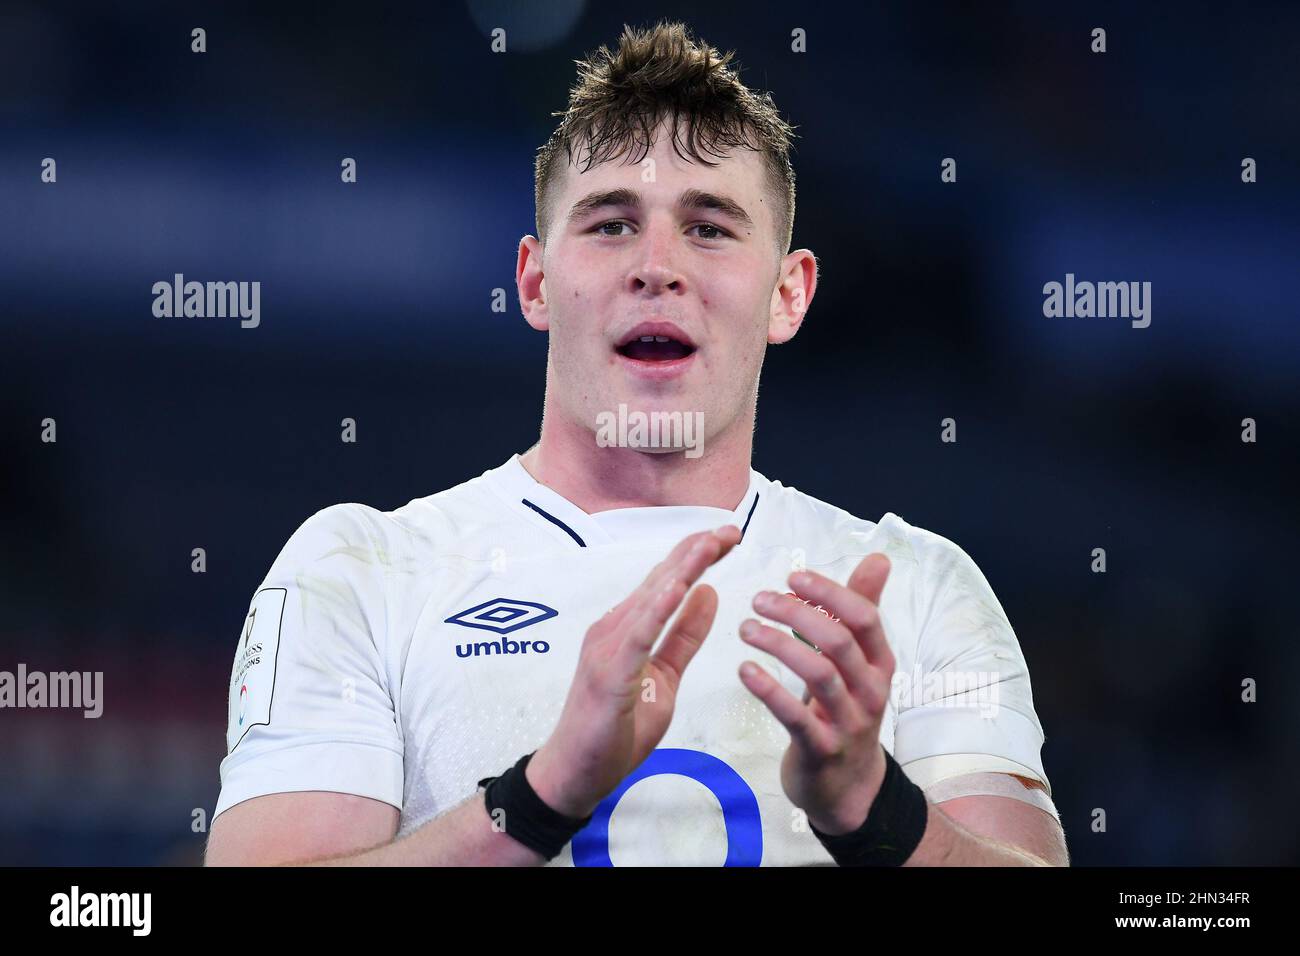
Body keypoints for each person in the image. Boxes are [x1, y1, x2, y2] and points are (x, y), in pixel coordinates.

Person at [205, 20, 1067, 866]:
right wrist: (539, 799)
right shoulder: (360, 573)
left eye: (711, 227)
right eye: (612, 223)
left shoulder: (914, 590)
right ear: (536, 282)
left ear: (788, 295)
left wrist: (872, 809)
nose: (658, 265)